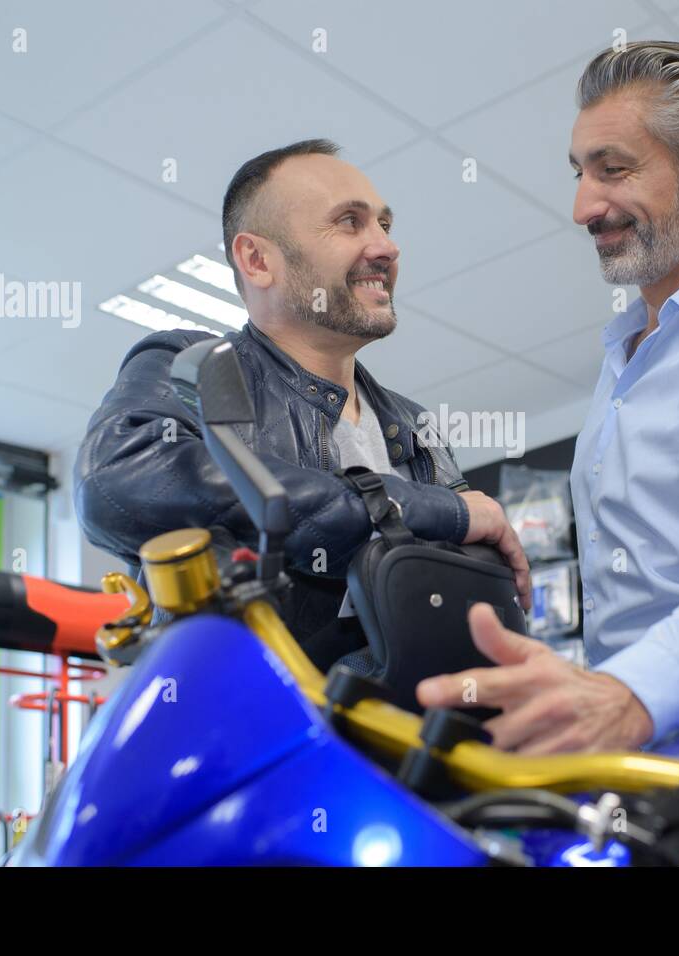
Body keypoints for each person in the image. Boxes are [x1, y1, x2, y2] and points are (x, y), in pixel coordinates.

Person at [417, 41, 679, 753]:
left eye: (613, 169)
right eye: (581, 173)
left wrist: (634, 691)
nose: (584, 205)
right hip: (653, 743)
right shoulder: (624, 354)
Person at [76, 139, 530, 669]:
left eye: (384, 224)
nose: (386, 247)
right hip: (245, 734)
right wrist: (427, 510)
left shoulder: (411, 423)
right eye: (349, 222)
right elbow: (118, 481)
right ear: (258, 259)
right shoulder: (184, 362)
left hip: (409, 737)